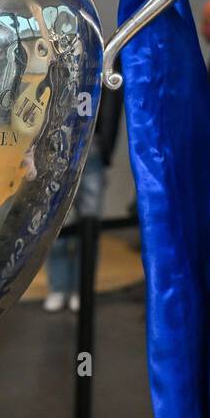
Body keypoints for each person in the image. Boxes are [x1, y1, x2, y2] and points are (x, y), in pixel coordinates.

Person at [43, 83, 123, 314]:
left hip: (92, 151)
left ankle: (82, 289)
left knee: (89, 224)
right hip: (57, 152)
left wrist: (106, 148)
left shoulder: (100, 63)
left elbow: (111, 108)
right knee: (57, 225)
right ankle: (58, 288)